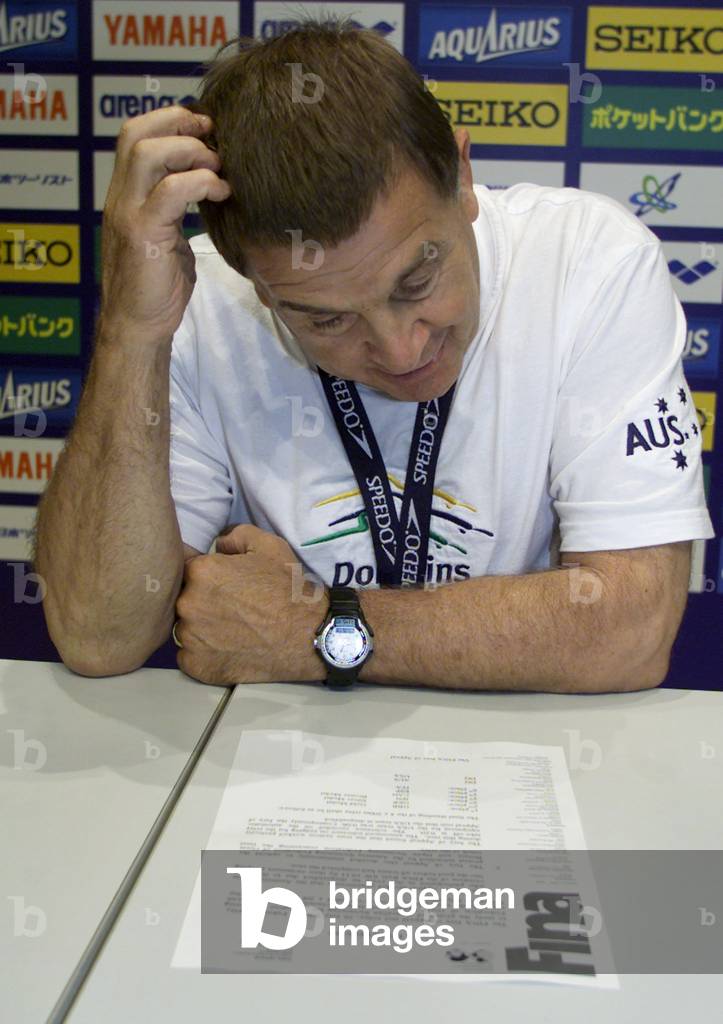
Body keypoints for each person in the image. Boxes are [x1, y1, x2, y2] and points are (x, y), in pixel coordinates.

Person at [32, 18, 714, 692]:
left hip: (525, 752)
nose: (399, 347)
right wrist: (130, 332)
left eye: (415, 282)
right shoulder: (198, 301)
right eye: (325, 317)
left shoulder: (588, 262)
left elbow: (629, 630)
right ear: (249, 279)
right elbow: (100, 635)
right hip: (276, 770)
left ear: (461, 174)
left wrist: (313, 629)